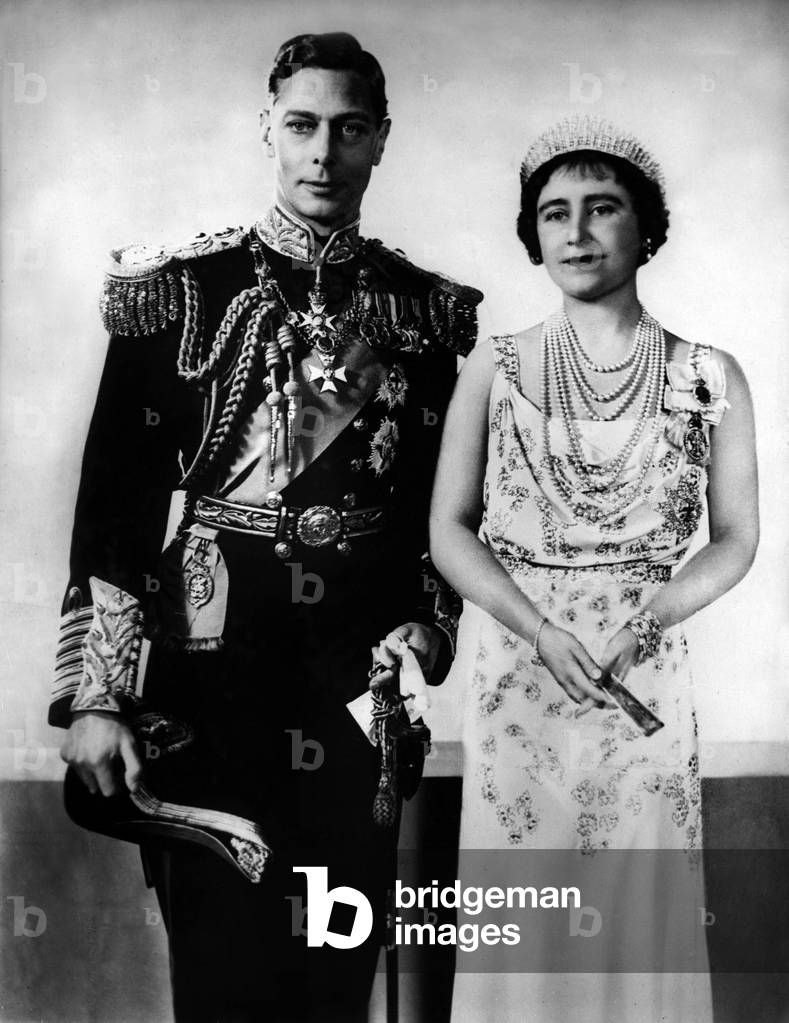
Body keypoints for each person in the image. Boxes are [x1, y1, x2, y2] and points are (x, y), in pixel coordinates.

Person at [51, 32, 481, 1022]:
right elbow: (116, 509)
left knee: (333, 983)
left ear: (381, 141)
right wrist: (98, 700)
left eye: (348, 129)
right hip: (208, 669)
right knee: (225, 978)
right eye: (302, 127)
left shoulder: (422, 316)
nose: (323, 152)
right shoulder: (182, 295)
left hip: (354, 692)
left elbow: (441, 513)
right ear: (268, 132)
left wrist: (430, 622)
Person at [430, 114, 758, 1022]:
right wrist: (536, 627)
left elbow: (735, 538)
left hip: (640, 672)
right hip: (519, 674)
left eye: (601, 208)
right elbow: (449, 531)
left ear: (644, 228)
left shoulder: (707, 373)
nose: (574, 231)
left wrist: (640, 624)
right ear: (531, 236)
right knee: (523, 908)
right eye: (552, 213)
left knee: (635, 909)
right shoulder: (493, 368)